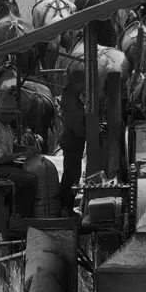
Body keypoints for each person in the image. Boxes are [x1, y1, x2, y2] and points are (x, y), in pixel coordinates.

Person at [0, 92, 39, 218]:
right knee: (28, 179)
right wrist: (22, 154)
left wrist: (27, 148)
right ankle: (21, 214)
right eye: (11, 114)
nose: (12, 117)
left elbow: (12, 146)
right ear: (2, 114)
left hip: (5, 166)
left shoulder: (6, 127)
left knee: (34, 171)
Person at [58, 66, 87, 216]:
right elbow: (76, 124)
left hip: (73, 140)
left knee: (72, 172)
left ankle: (66, 206)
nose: (84, 87)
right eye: (82, 83)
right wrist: (88, 134)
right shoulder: (71, 99)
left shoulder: (72, 96)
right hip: (72, 140)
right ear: (76, 83)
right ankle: (66, 208)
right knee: (71, 174)